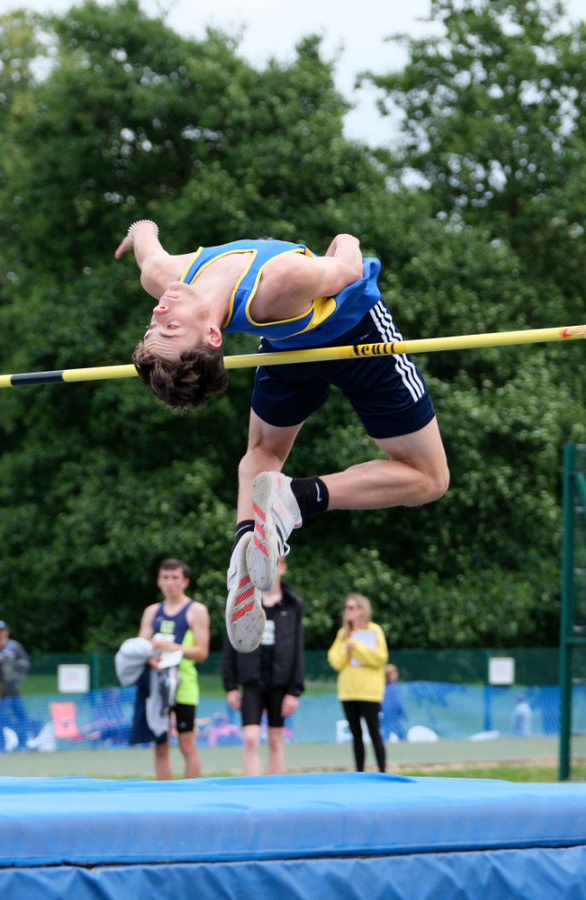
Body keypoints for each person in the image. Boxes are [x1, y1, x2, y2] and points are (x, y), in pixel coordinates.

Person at [115, 223, 450, 654]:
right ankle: (295, 498)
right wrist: (346, 238)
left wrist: (139, 231)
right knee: (429, 478)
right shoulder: (281, 281)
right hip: (355, 336)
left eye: (153, 327)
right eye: (171, 327)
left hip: (287, 343)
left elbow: (147, 247)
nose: (159, 314)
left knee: (262, 452)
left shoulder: (165, 278)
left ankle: (243, 549)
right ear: (213, 337)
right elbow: (348, 267)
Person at [222, 557, 305, 775]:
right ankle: (252, 788)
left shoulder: (293, 603)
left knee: (276, 739)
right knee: (250, 738)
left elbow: (297, 648)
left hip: (280, 682)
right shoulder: (243, 601)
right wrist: (230, 686)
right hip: (252, 681)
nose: (269, 570)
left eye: (274, 564)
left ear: (283, 568)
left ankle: (273, 791)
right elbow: (231, 644)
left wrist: (295, 690)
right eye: (263, 564)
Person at [137, 558, 210, 780]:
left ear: (185, 582)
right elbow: (141, 646)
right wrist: (150, 659)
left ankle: (192, 794)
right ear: (159, 581)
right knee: (160, 744)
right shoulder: (152, 612)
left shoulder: (196, 611)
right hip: (158, 685)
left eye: (175, 578)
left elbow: (202, 652)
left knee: (186, 744)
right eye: (165, 577)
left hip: (184, 685)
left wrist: (173, 648)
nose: (170, 583)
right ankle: (164, 796)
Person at [327, 593, 388, 772]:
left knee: (375, 733)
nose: (348, 611)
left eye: (352, 607)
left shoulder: (374, 631)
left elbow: (380, 658)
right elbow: (335, 661)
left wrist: (357, 648)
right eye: (346, 607)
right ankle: (359, 771)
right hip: (348, 691)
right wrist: (347, 648)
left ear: (362, 610)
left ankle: (382, 771)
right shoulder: (343, 634)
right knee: (356, 735)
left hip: (369, 692)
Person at [0, 620, 32, 750]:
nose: (0, 633)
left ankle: (23, 743)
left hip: (13, 686)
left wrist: (14, 666)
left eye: (2, 631)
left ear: (7, 632)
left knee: (20, 714)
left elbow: (25, 664)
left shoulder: (15, 647)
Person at [380, 663, 409, 742]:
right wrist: (404, 714)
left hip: (382, 721)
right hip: (394, 721)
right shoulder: (394, 687)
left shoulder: (380, 688)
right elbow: (398, 703)